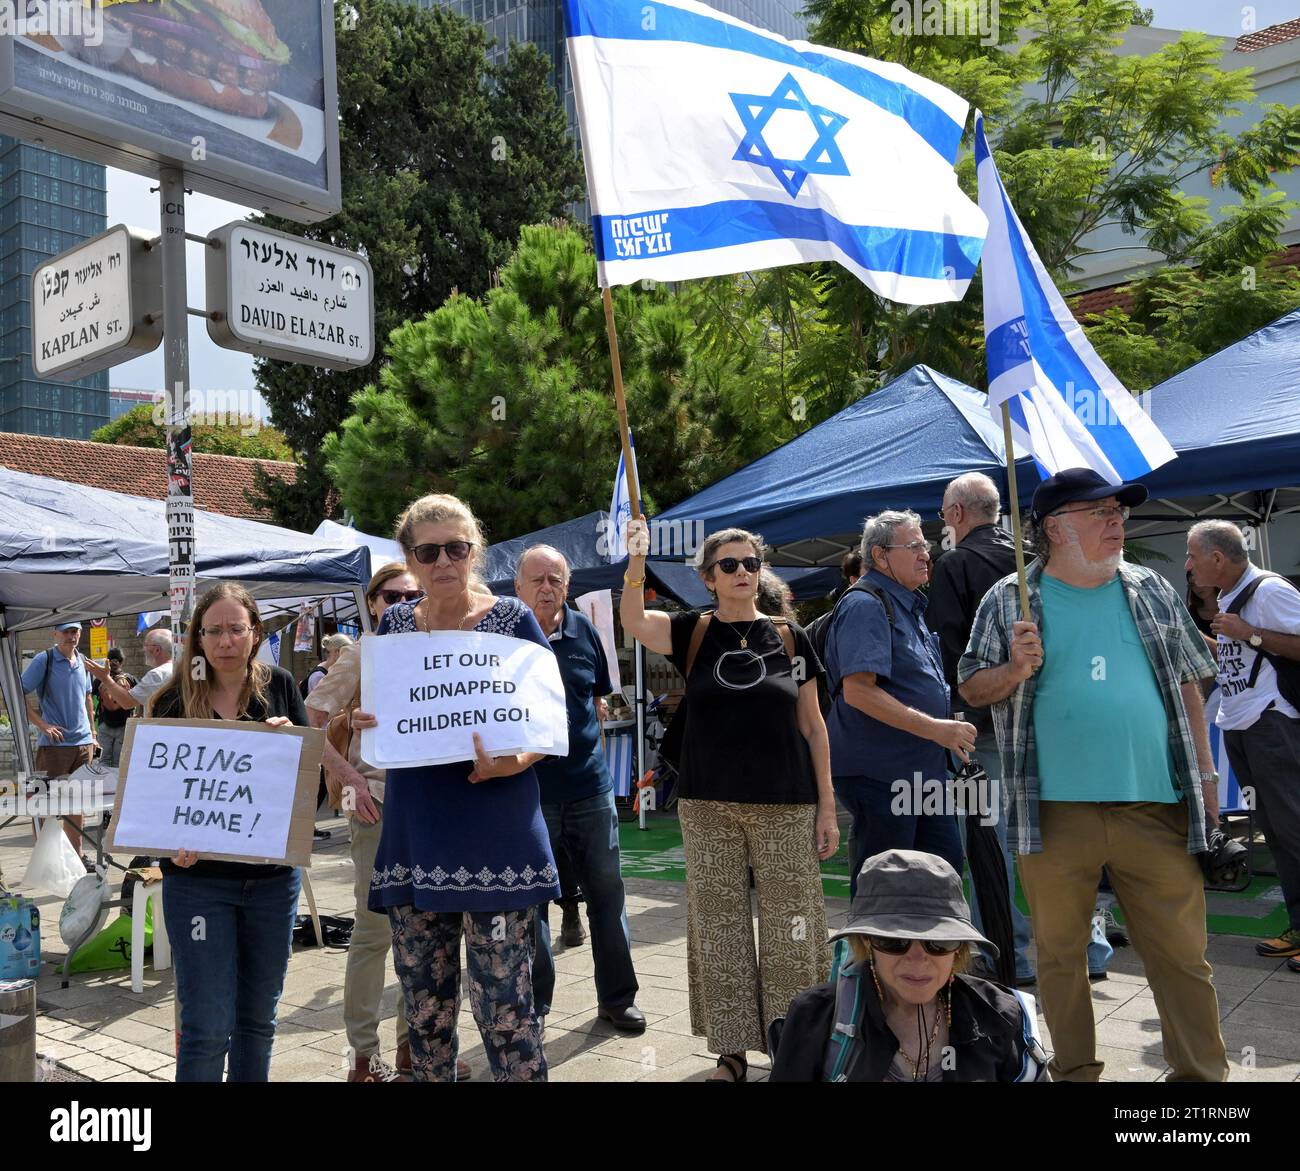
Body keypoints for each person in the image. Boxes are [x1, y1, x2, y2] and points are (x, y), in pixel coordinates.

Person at [959, 467, 1227, 1082]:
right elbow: (972, 685)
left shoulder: (1152, 589)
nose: (1117, 523)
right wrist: (1013, 670)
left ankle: (1202, 1089)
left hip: (1155, 806)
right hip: (1053, 813)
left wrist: (1207, 784)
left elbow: (1188, 682)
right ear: (1055, 527)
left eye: (1118, 512)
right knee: (1058, 959)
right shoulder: (1009, 599)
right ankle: (1076, 1075)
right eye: (1100, 512)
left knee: (1184, 958)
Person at [621, 517, 838, 1083]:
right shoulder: (691, 631)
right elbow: (632, 620)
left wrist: (828, 807)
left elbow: (814, 726)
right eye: (729, 565)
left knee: (793, 926)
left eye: (750, 563)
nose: (742, 572)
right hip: (707, 804)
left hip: (786, 803)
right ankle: (733, 1052)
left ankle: (795, 1044)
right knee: (721, 929)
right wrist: (637, 561)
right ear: (707, 578)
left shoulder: (791, 636)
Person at [351, 493, 557, 1082]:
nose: (444, 561)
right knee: (424, 1011)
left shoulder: (512, 620)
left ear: (475, 552)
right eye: (429, 550)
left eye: (457, 548)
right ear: (410, 559)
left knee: (505, 1010)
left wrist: (515, 763)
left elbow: (550, 713)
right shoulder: (392, 624)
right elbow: (380, 709)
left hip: (495, 832)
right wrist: (368, 718)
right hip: (418, 833)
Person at [149, 582, 310, 1082]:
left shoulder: (280, 685)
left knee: (257, 1022)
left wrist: (291, 752)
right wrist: (166, 853)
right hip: (199, 884)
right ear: (197, 637)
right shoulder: (173, 699)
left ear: (254, 633)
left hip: (270, 882)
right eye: (213, 630)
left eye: (235, 629)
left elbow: (312, 790)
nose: (224, 641)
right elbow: (151, 801)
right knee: (207, 1026)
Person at [306, 562, 442, 1083]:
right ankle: (364, 1056)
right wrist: (350, 779)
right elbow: (313, 722)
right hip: (379, 806)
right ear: (373, 602)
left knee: (427, 933)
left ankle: (417, 1048)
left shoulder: (438, 648)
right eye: (392, 594)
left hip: (432, 808)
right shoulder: (363, 652)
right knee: (374, 934)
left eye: (413, 593)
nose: (403, 601)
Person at [770, 850, 1047, 1082]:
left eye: (938, 943)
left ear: (959, 947)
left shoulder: (1001, 1016)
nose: (917, 959)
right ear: (867, 942)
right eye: (895, 941)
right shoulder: (814, 1017)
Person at [515, 545, 644, 1033]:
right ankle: (536, 1009)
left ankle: (617, 999)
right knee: (533, 908)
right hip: (527, 794)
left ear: (566, 586)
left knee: (608, 899)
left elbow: (598, 701)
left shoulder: (585, 631)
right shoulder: (501, 636)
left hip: (590, 790)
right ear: (519, 587)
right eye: (538, 580)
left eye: (556, 579)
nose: (548, 588)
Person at [823, 511, 975, 893]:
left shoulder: (906, 603)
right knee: (887, 889)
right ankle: (870, 955)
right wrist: (937, 729)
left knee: (942, 875)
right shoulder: (866, 605)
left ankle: (923, 953)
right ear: (880, 555)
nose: (926, 554)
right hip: (883, 775)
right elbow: (859, 691)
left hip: (920, 773)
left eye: (925, 545)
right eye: (914, 546)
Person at [926, 473, 1035, 987]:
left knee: (988, 843)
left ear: (955, 514)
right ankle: (1087, 946)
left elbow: (950, 654)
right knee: (1050, 836)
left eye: (944, 512)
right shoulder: (1034, 558)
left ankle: (1006, 951)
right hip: (1042, 720)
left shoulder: (954, 564)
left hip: (982, 723)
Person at [1186, 519, 1300, 964]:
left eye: (1194, 557)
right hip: (1243, 723)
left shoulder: (1269, 590)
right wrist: (1211, 642)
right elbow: (1243, 652)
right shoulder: (1231, 595)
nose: (1189, 566)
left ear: (1218, 558)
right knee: (1278, 829)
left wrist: (1246, 632)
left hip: (1273, 722)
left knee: (1291, 826)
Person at [22, 621, 96, 855]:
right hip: (54, 747)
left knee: (77, 804)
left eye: (75, 631)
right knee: (43, 804)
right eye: (66, 631)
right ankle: (46, 859)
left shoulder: (83, 661)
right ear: (54, 633)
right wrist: (43, 725)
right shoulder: (44, 660)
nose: (71, 636)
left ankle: (77, 856)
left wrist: (93, 734)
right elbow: (15, 695)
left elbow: (87, 701)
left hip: (83, 744)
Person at [85, 627, 175, 713]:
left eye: (146, 645)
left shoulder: (157, 675)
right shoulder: (178, 668)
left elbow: (127, 702)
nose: (143, 649)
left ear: (157, 650)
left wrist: (105, 678)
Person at [92, 648, 136, 769]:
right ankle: (117, 787)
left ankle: (104, 786)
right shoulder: (130, 679)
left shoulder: (100, 679)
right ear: (122, 662)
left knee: (103, 761)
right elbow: (142, 698)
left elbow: (89, 695)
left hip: (104, 724)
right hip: (124, 725)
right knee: (119, 763)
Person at [304, 633, 353, 697]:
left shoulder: (333, 670)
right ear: (337, 652)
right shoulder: (318, 676)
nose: (348, 657)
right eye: (347, 652)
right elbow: (319, 704)